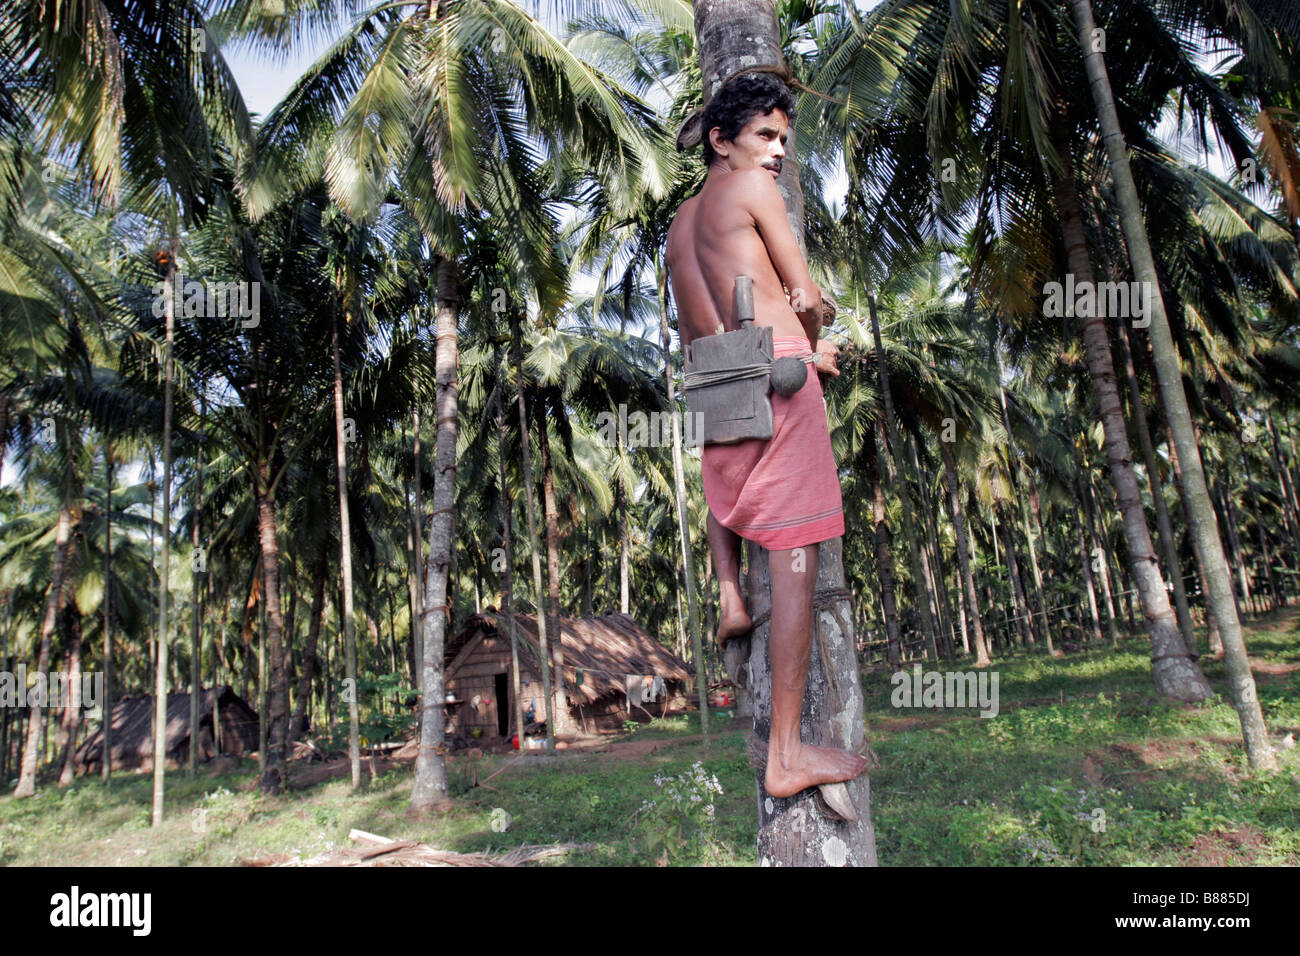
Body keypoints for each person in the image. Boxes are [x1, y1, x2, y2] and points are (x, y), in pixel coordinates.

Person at [664, 72, 869, 800]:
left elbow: (700, 335)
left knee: (732, 504)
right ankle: (786, 753)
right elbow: (806, 295)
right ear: (722, 141)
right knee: (797, 562)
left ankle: (728, 594)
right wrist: (813, 338)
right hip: (781, 380)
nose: (778, 152)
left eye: (784, 140)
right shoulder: (753, 189)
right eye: (765, 136)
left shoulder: (680, 227)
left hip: (714, 386)